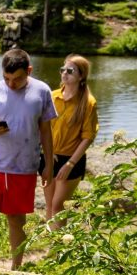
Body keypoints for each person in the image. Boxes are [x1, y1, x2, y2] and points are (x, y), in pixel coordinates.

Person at [0, 48, 55, 269]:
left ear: (29, 70)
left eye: (17, 79)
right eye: (6, 78)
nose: (11, 84)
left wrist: (48, 164)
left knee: (16, 219)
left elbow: (46, 130)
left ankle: (16, 269)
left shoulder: (42, 91)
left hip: (24, 167)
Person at [44, 54, 99, 222]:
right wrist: (45, 152)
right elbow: (42, 127)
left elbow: (88, 137)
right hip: (48, 157)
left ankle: (58, 247)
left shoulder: (88, 102)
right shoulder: (52, 97)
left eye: (70, 71)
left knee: (58, 205)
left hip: (71, 160)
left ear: (81, 76)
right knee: (49, 205)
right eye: (63, 70)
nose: (64, 74)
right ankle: (51, 244)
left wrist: (70, 164)